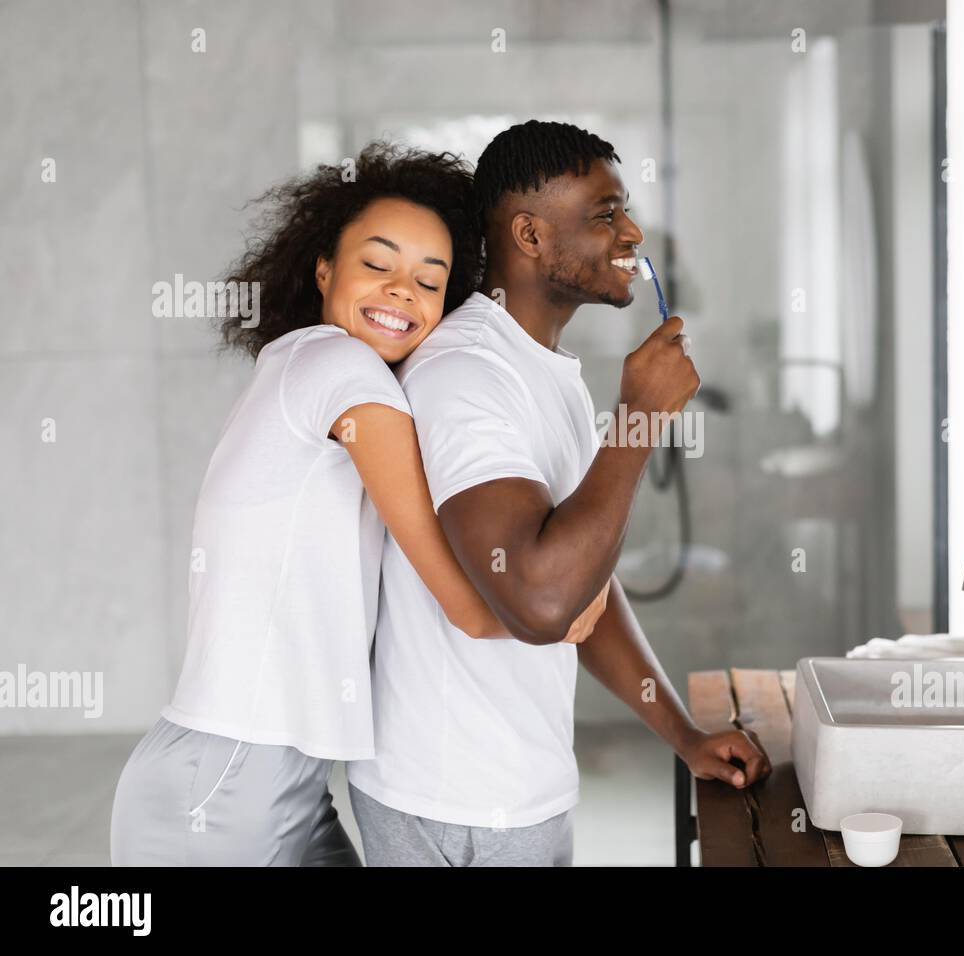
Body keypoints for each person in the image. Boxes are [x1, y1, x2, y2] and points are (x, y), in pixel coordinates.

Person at [110, 143, 607, 867]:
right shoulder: (343, 371)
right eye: (378, 265)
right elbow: (473, 608)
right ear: (323, 271)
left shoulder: (297, 365)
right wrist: (568, 598)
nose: (402, 292)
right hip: (222, 787)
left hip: (284, 778)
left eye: (429, 281)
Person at [346, 121, 771, 867]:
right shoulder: (465, 374)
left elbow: (582, 583)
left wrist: (683, 735)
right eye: (606, 213)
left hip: (523, 790)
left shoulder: (548, 373)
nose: (632, 232)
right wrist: (638, 421)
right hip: (450, 804)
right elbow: (541, 599)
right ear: (531, 235)